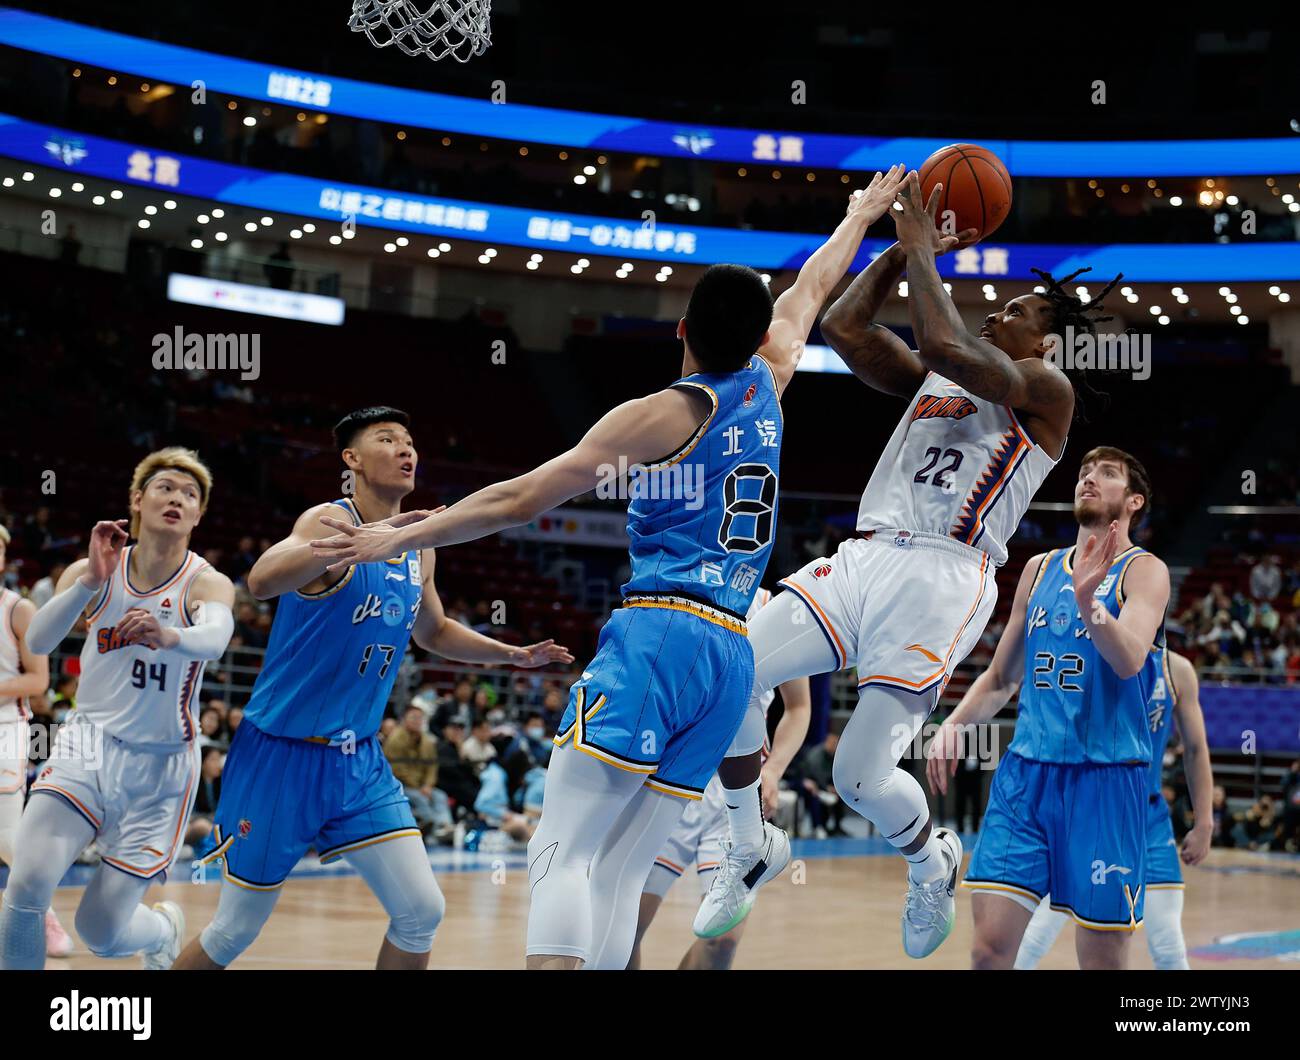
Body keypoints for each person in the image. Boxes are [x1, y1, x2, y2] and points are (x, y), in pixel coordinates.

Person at [310, 171, 908, 969]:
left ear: (683, 328)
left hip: (659, 631)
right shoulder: (772, 378)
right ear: (762, 333)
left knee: (563, 848)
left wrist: (399, 539)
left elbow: (522, 497)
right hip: (731, 652)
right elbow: (814, 284)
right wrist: (862, 218)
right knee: (625, 869)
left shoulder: (666, 410)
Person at [696, 171, 1093, 958]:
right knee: (730, 669)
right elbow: (845, 327)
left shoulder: (1046, 388)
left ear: (1047, 340)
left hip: (944, 577)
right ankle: (749, 845)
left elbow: (946, 339)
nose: (1001, 310)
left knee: (857, 776)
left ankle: (929, 861)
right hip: (865, 553)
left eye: (1020, 310)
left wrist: (922, 246)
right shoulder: (937, 376)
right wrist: (900, 253)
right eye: (1004, 302)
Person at [172, 407, 571, 971]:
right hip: (281, 756)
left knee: (421, 911)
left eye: (410, 441)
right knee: (235, 929)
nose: (406, 450)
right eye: (387, 439)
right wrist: (362, 539)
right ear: (352, 459)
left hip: (358, 760)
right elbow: (260, 582)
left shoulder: (421, 543)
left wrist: (510, 654)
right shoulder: (328, 523)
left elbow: (432, 631)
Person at [928, 447, 1171, 969]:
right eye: (1084, 471)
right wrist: (954, 725)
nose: (1089, 478)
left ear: (1134, 502)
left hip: (1106, 780)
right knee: (989, 950)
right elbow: (1000, 677)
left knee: (1103, 958)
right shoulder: (1038, 569)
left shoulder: (1145, 571)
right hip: (1025, 777)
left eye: (1106, 473)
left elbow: (1129, 659)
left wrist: (1091, 607)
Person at [0, 448, 236, 971]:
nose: (177, 498)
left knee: (100, 933)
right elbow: (38, 638)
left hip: (161, 767)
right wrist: (88, 581)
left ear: (198, 516)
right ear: (137, 500)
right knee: (27, 886)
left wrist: (169, 634)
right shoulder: (94, 569)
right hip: (86, 744)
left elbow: (217, 637)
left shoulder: (206, 581)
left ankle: (160, 930)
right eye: (165, 488)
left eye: (190, 495)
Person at [629, 587, 812, 969]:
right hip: (671, 781)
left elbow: (799, 706)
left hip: (736, 798)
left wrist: (775, 769)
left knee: (721, 939)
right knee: (627, 924)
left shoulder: (776, 607)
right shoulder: (677, 586)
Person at [1013, 650, 1214, 969]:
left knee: (1168, 945)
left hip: (1147, 819)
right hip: (1090, 816)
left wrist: (1204, 822)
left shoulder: (1176, 670)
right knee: (1035, 938)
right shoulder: (1086, 654)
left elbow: (1195, 747)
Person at [0, 525, 70, 957]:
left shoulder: (18, 609)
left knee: (7, 836)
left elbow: (39, 679)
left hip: (6, 726)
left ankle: (42, 913)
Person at [384, 705, 452, 846]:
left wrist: (428, 785)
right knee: (421, 799)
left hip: (423, 786)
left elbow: (432, 768)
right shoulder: (395, 740)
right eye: (413, 717)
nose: (417, 721)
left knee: (441, 796)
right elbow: (397, 770)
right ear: (404, 719)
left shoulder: (427, 742)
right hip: (401, 785)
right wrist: (419, 786)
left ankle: (446, 827)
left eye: (420, 718)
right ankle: (433, 833)